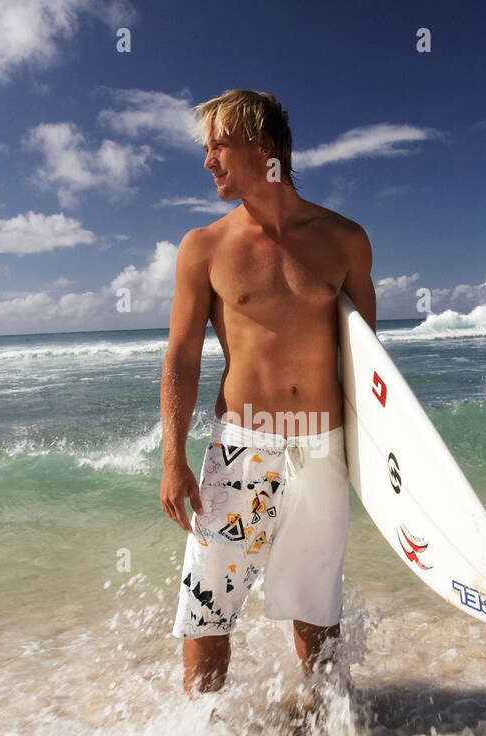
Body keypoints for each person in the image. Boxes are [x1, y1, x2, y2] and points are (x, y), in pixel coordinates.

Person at [159, 89, 377, 699]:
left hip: (322, 448)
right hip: (240, 447)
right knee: (208, 608)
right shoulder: (203, 247)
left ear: (262, 144)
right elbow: (180, 354)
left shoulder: (345, 241)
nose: (207, 160)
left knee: (317, 608)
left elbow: (367, 364)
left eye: (218, 145)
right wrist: (174, 458)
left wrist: (382, 469)